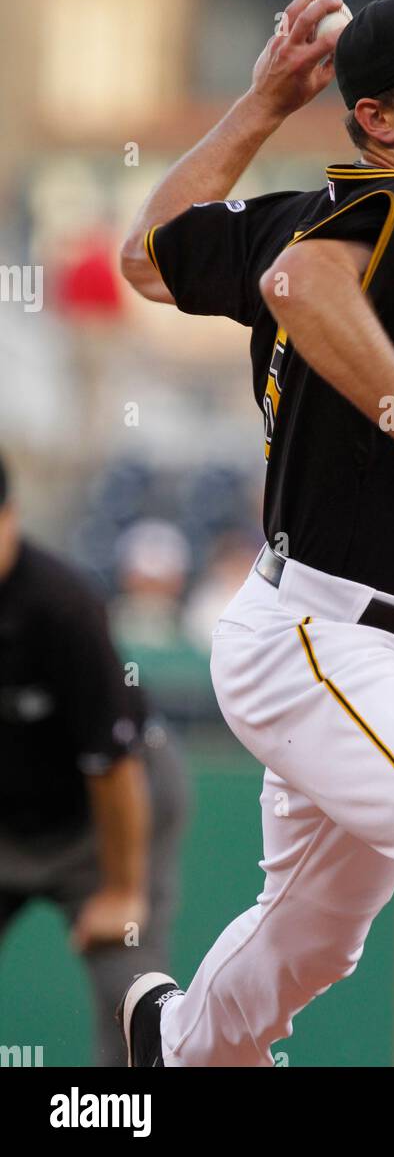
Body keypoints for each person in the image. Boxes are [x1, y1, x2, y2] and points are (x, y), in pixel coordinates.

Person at [117, 0, 394, 1067]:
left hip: (385, 652)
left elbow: (149, 254)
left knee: (313, 941)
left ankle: (172, 1047)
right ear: (380, 120)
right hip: (327, 644)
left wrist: (261, 105)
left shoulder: (317, 207)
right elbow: (298, 282)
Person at [0, 454, 187, 1066]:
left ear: (10, 520)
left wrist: (123, 890)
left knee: (129, 994)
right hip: (10, 819)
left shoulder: (61, 604)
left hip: (105, 827)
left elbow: (114, 763)